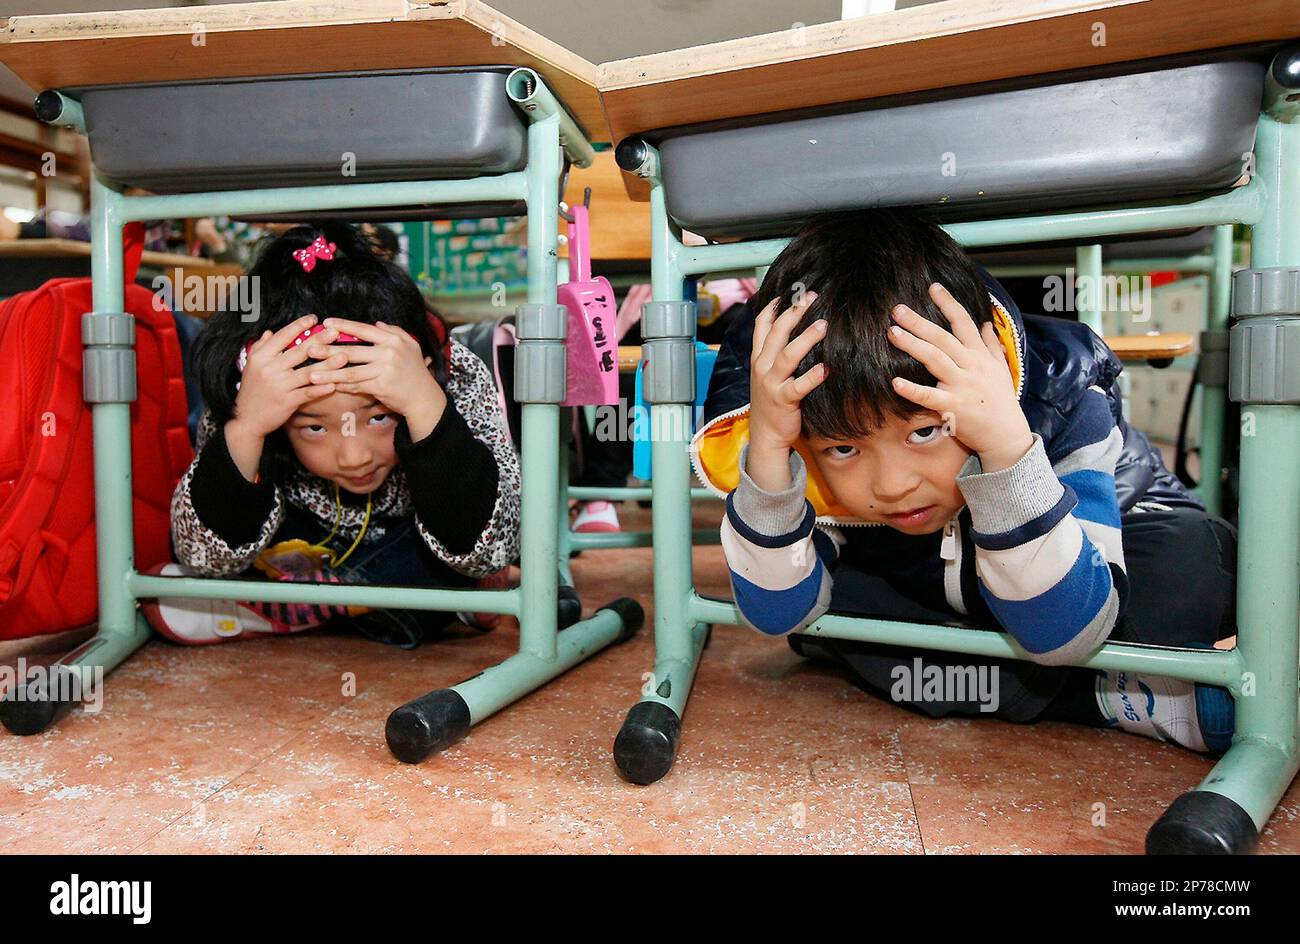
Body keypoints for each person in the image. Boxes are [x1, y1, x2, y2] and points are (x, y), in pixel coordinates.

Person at [692, 210, 1237, 754]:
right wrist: (767, 450)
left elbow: (1068, 631)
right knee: (833, 616)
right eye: (843, 448)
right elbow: (774, 613)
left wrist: (1004, 448)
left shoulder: (1066, 405)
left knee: (1186, 556)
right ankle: (1123, 699)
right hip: (963, 604)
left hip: (1095, 576)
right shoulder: (804, 449)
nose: (892, 485)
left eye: (926, 432)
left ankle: (1117, 684)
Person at [143, 222, 519, 647]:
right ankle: (413, 603)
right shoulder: (245, 388)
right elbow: (200, 558)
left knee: (455, 554)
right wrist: (246, 426)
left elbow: (493, 546)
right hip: (293, 541)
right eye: (315, 427)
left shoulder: (455, 373)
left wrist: (424, 404)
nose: (355, 456)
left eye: (378, 417)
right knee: (259, 546)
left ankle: (278, 607)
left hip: (420, 538)